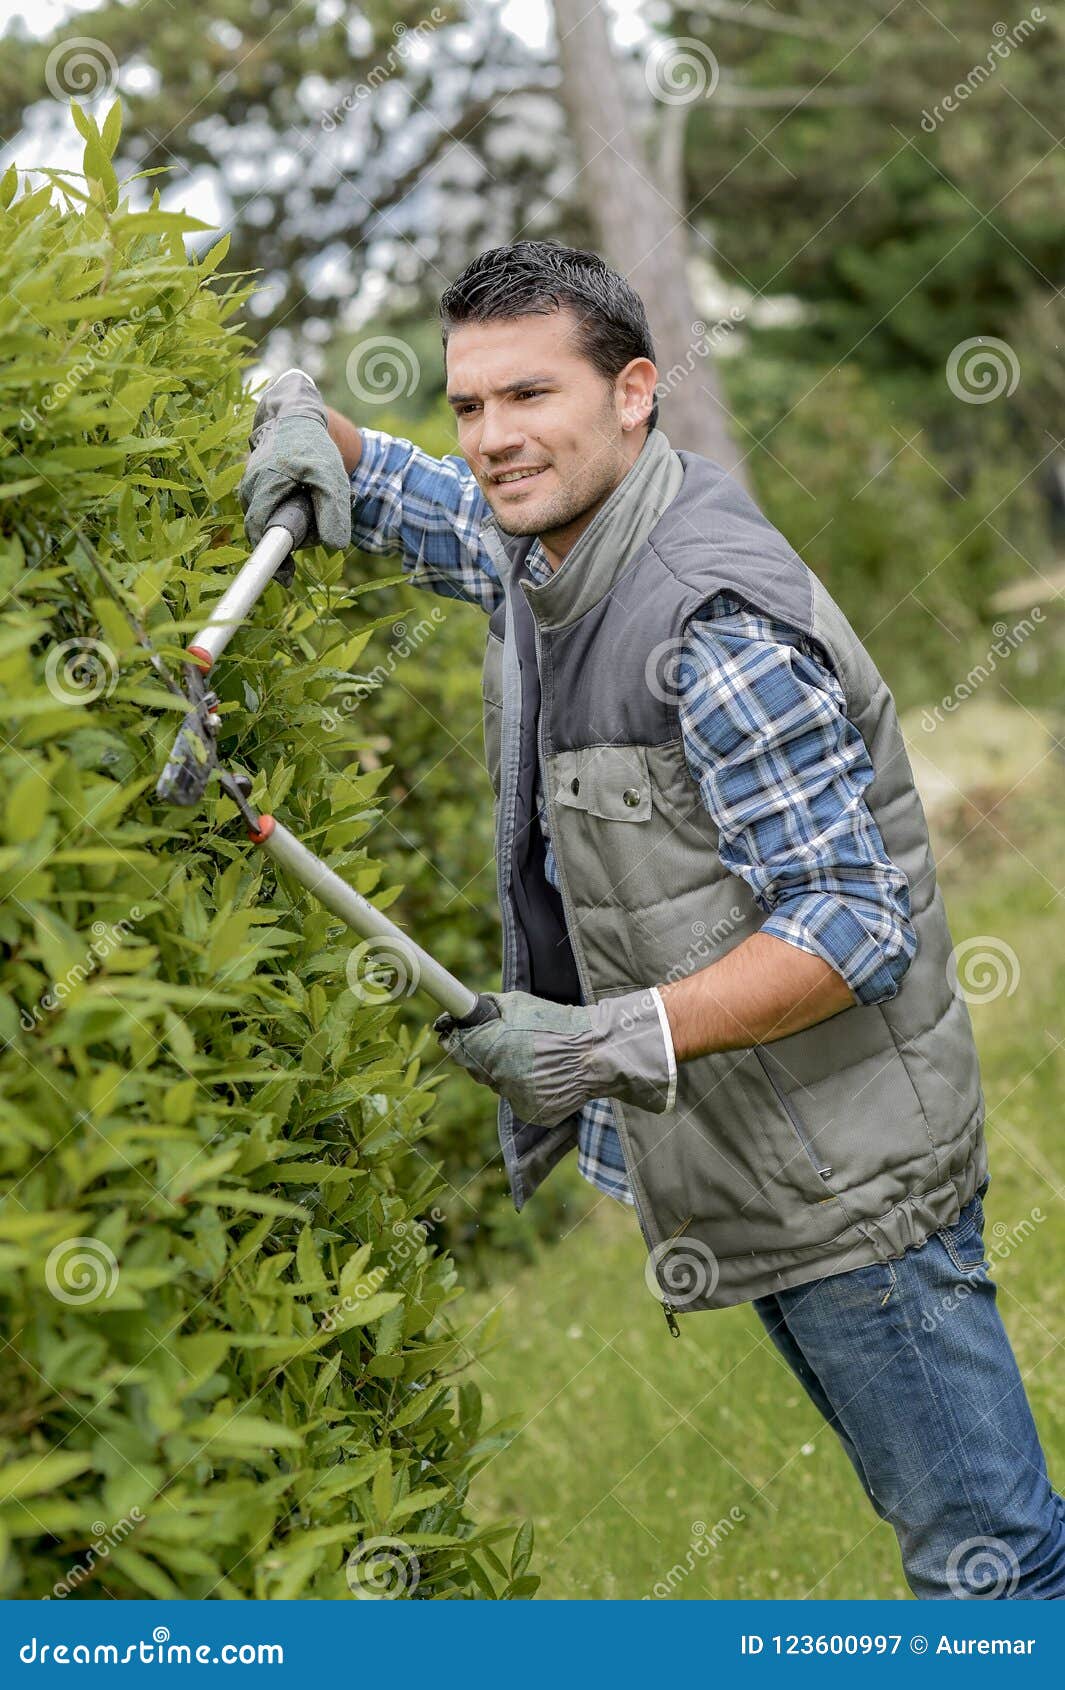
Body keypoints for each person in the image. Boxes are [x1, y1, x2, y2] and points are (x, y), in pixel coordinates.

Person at [239, 240, 1065, 1599]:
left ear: (632, 392)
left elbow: (852, 923)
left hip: (851, 1182)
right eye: (469, 404)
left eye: (530, 396)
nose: (492, 438)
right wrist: (290, 406)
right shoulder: (555, 546)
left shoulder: (709, 622)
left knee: (993, 1567)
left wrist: (598, 1041)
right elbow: (413, 497)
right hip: (781, 1166)